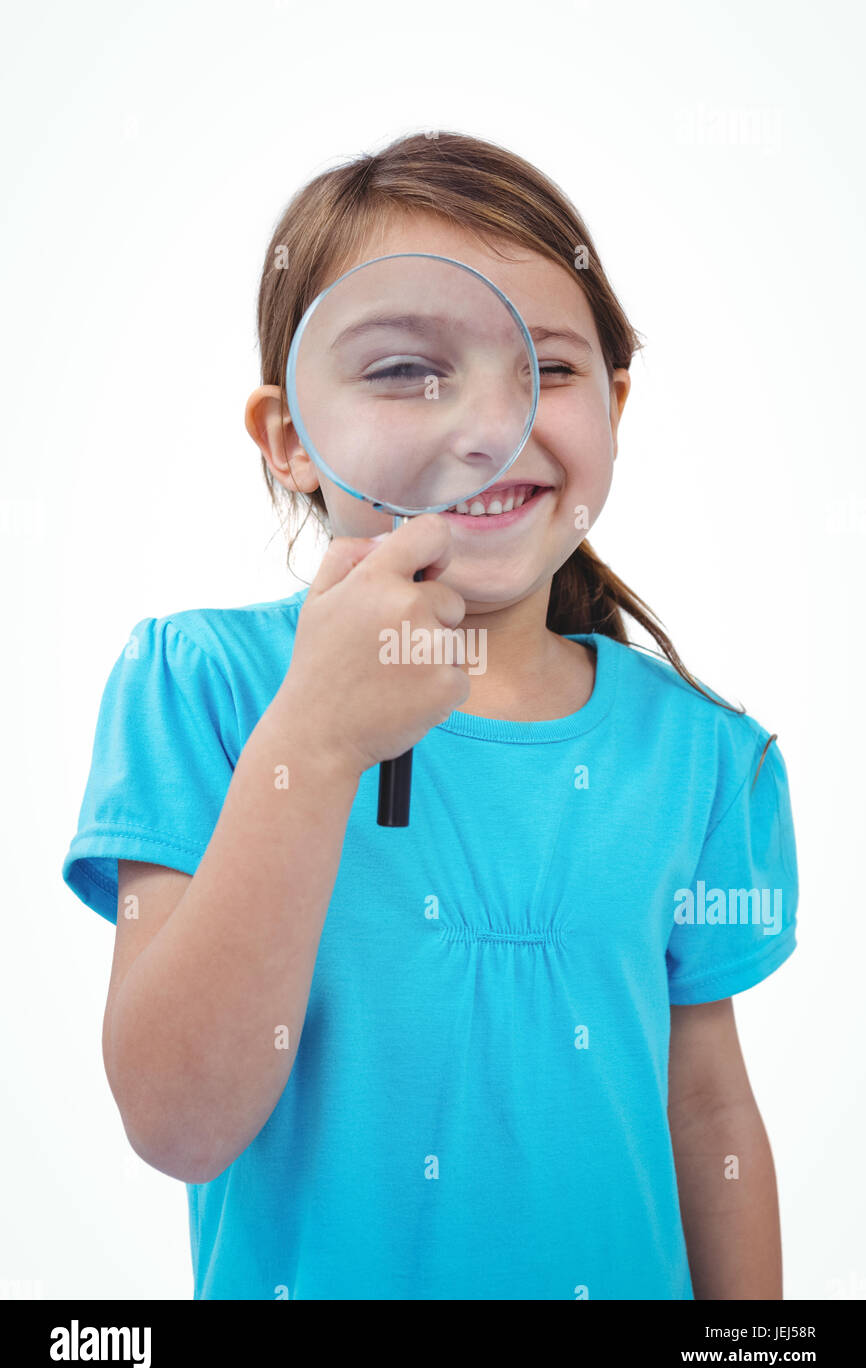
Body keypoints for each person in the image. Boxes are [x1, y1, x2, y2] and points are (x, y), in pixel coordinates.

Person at [61, 131, 798, 1300]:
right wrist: (312, 736)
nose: (481, 424)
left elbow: (707, 1108)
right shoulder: (200, 685)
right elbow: (178, 1121)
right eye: (406, 369)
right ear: (292, 436)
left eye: (546, 369)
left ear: (612, 402)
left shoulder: (705, 758)